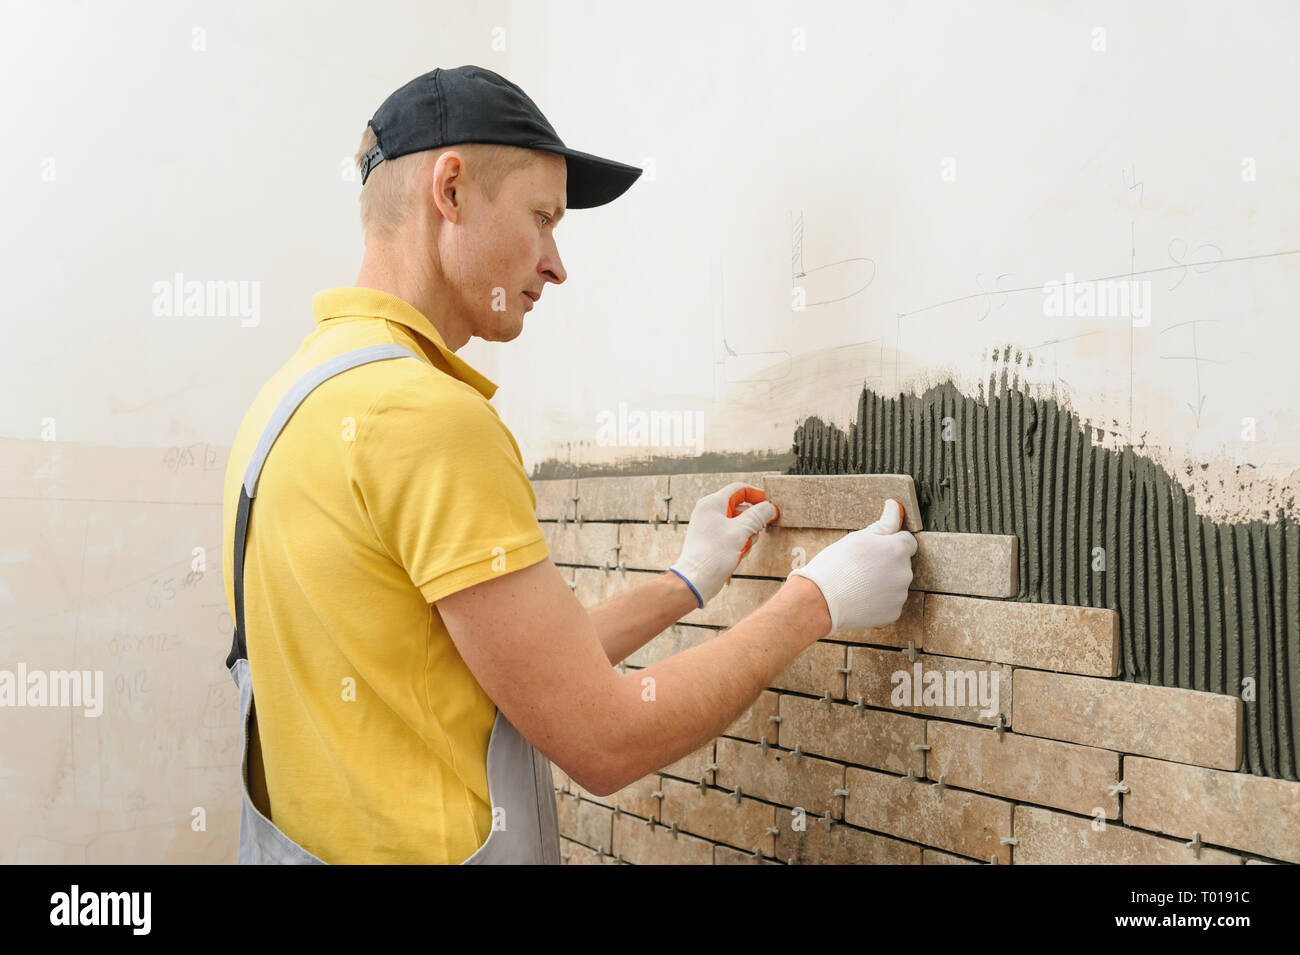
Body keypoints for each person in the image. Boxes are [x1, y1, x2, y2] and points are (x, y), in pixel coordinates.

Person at [221, 65, 916, 865]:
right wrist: (814, 602)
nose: (556, 264)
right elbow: (603, 738)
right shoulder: (425, 419)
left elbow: (506, 668)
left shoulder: (280, 411)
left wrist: (686, 581)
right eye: (541, 217)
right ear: (450, 191)